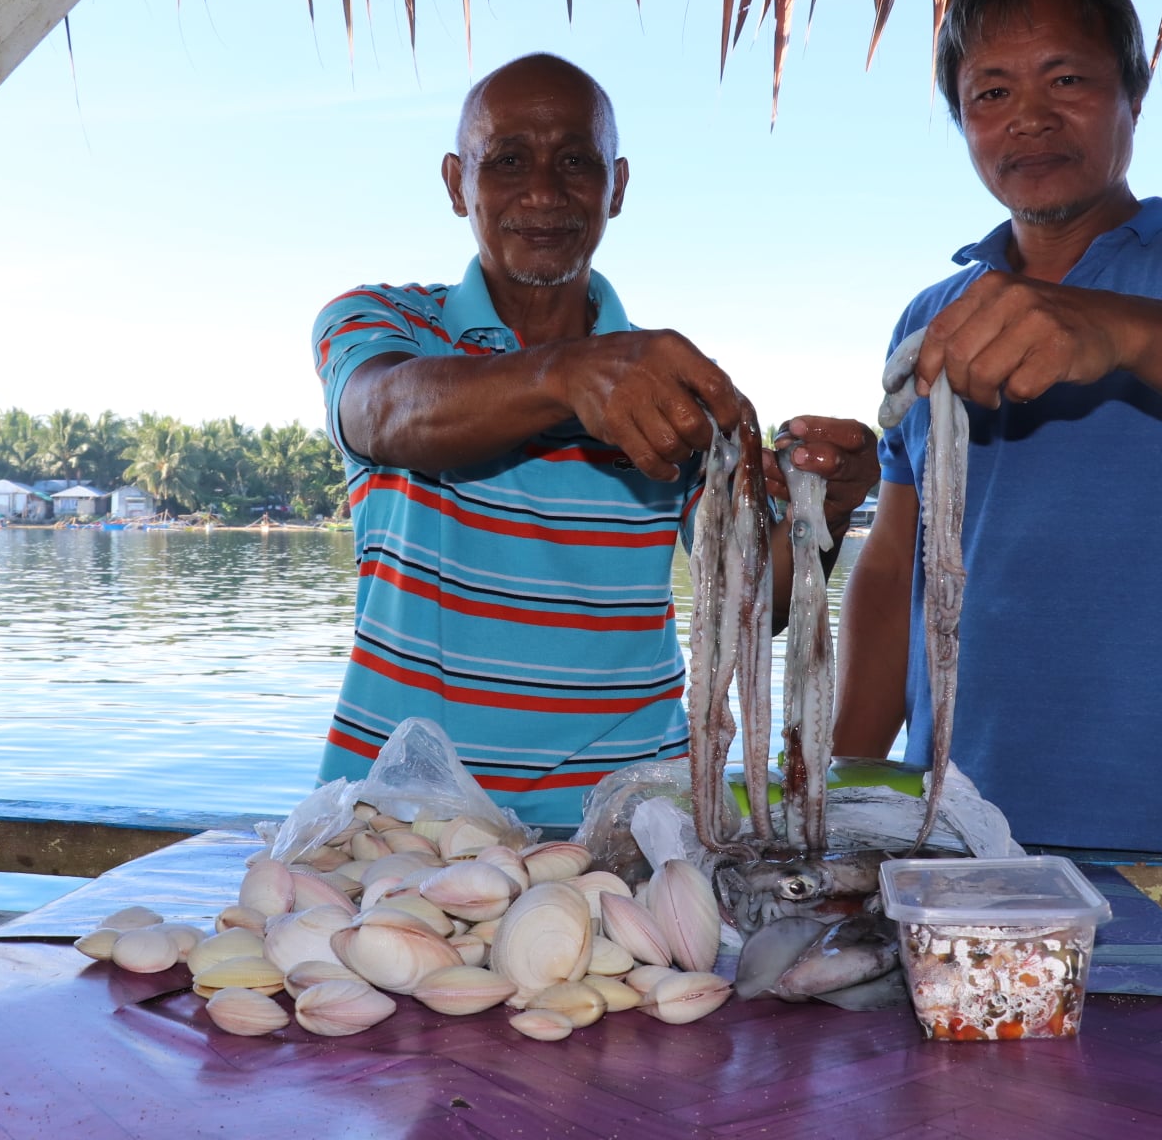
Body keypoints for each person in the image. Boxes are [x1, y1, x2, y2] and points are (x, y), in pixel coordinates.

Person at [833, 0, 1162, 953]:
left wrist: (1113, 331)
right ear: (963, 122)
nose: (1028, 116)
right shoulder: (933, 316)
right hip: (957, 839)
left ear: (1133, 94)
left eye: (1066, 79)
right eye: (991, 92)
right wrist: (844, 788)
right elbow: (894, 560)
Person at [313, 53, 877, 829]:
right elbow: (383, 413)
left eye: (575, 161)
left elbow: (754, 603)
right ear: (456, 183)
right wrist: (568, 378)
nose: (543, 191)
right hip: (398, 820)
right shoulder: (384, 323)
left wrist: (826, 512)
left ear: (616, 186)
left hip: (630, 819)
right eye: (507, 160)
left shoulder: (662, 382)